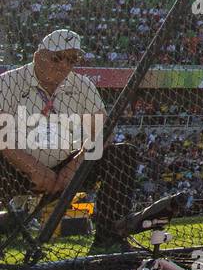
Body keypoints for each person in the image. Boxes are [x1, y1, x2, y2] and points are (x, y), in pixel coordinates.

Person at [0, 29, 138, 253]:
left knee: (121, 153)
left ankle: (108, 240)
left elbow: (104, 133)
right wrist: (35, 169)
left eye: (73, 59)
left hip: (70, 167)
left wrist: (74, 168)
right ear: (38, 56)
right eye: (58, 57)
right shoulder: (9, 82)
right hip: (16, 169)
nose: (65, 65)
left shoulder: (82, 85)